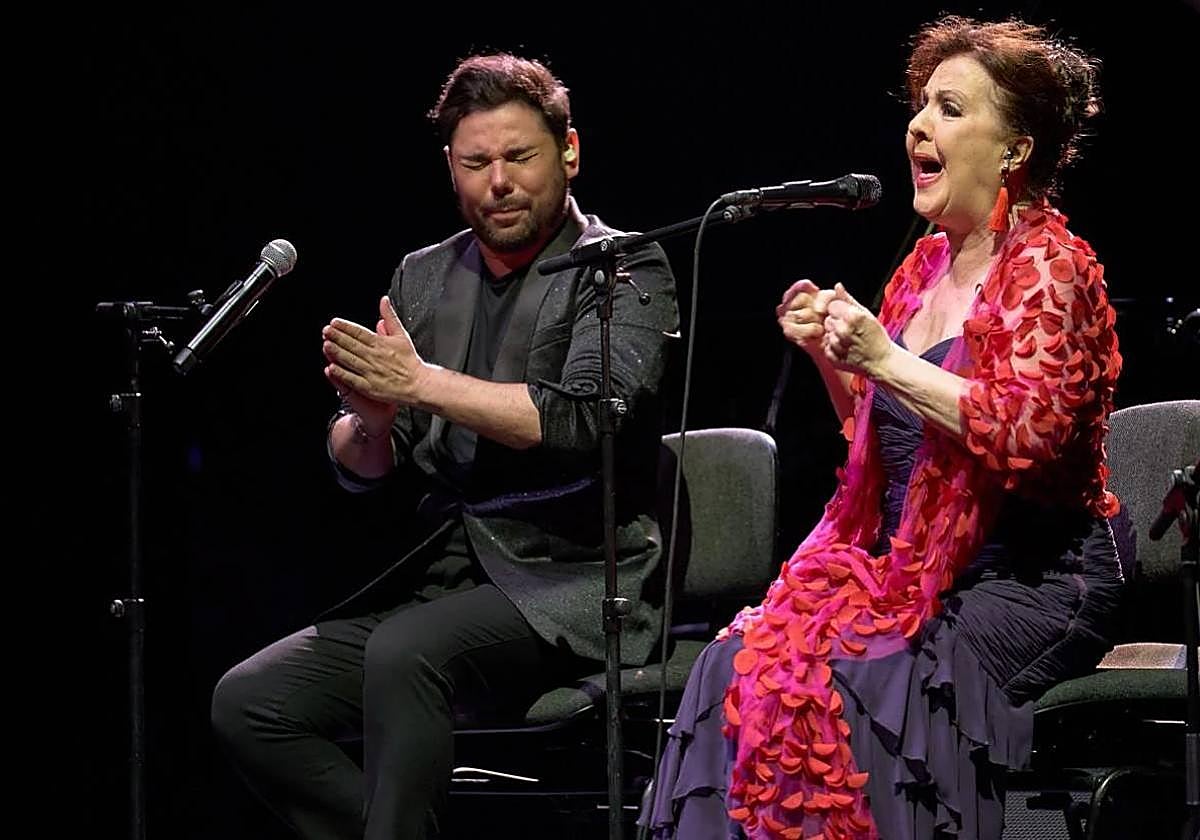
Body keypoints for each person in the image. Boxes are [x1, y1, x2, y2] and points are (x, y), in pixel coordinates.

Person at [643, 16, 1123, 840]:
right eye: (920, 105)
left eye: (949, 107)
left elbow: (1026, 436)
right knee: (739, 661)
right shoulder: (923, 266)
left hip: (1031, 572)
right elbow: (880, 444)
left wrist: (886, 360)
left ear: (1014, 147)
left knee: (863, 673)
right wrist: (842, 362)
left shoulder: (1052, 266)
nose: (918, 125)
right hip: (910, 562)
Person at [211, 54, 679, 839]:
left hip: (571, 581)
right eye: (476, 162)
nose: (498, 181)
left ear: (569, 152)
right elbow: (367, 472)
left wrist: (418, 384)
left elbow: (580, 420)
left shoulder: (624, 266)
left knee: (405, 653)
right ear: (450, 170)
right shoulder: (423, 277)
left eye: (519, 157)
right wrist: (370, 421)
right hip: (439, 579)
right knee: (252, 702)